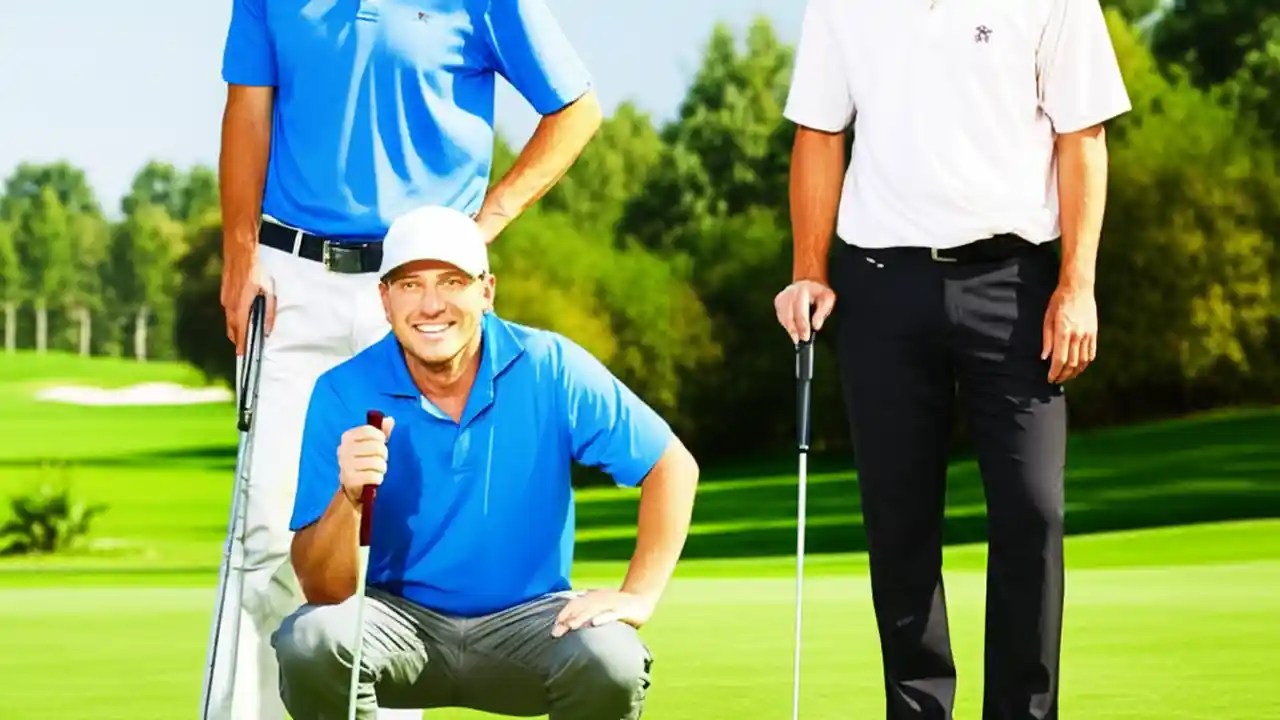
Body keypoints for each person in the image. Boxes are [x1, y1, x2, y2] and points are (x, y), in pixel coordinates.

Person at [207, 1, 603, 718]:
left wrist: (483, 227)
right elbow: (249, 111)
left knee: (395, 559)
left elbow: (575, 109)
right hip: (290, 281)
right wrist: (238, 254)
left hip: (421, 298)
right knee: (269, 539)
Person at [773, 1, 1131, 718]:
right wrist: (808, 267)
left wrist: (1077, 286)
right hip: (881, 283)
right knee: (899, 521)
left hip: (1016, 284)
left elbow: (1081, 135)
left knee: (1033, 511)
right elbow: (818, 133)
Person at [269, 205, 700, 719]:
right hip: (399, 624)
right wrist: (349, 497)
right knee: (310, 640)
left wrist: (639, 596)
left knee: (612, 658)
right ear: (384, 300)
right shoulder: (342, 391)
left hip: (531, 623)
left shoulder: (550, 365)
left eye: (452, 281)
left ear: (486, 291)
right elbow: (325, 590)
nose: (431, 305)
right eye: (409, 285)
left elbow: (671, 464)